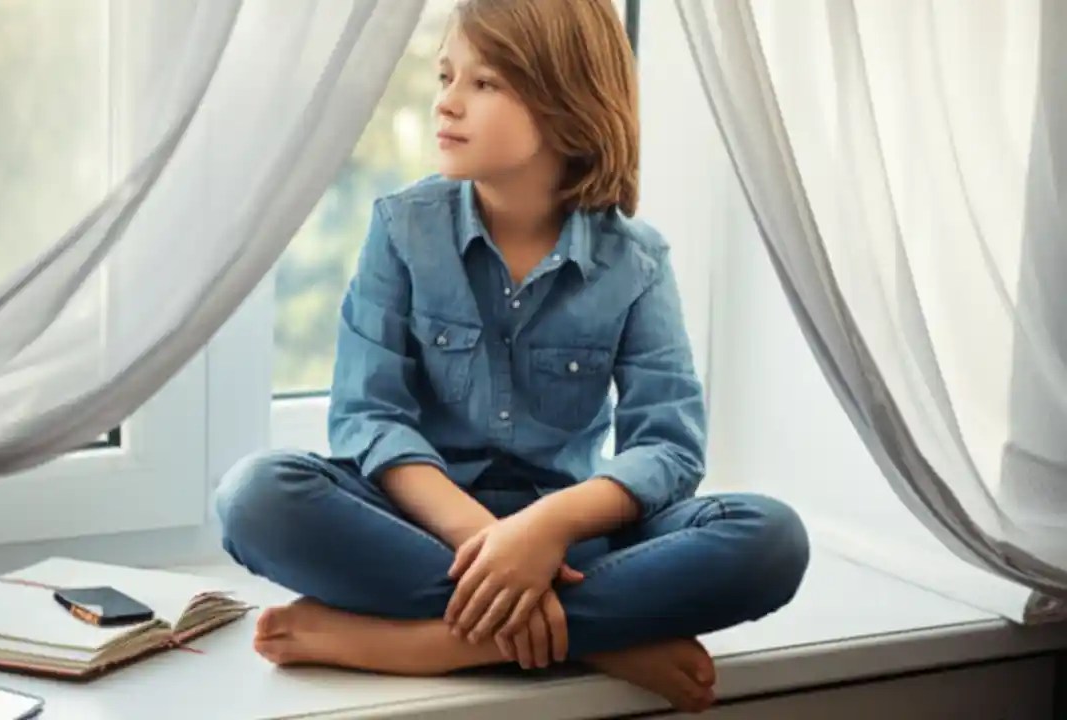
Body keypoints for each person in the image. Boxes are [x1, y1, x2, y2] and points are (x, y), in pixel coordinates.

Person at [214, 0, 809, 712]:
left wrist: (544, 531)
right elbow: (369, 418)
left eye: (484, 84)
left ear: (567, 101)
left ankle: (428, 645)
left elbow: (668, 449)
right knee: (255, 496)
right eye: (445, 77)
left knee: (771, 539)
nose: (446, 104)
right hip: (426, 529)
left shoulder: (637, 261)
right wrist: (490, 544)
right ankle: (595, 639)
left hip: (573, 545)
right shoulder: (403, 229)